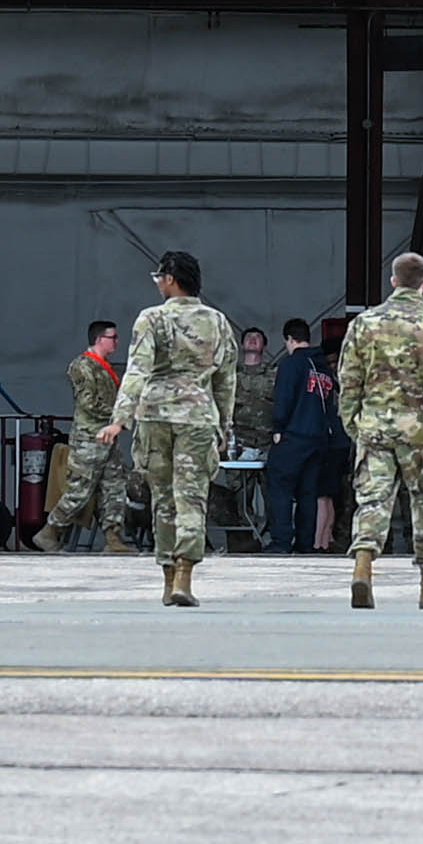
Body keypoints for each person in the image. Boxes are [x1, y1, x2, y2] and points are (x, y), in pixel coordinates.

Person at [103, 251, 238, 606]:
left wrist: (120, 419)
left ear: (170, 278)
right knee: (191, 497)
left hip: (155, 416)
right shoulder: (218, 322)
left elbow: (138, 370)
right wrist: (224, 426)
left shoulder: (152, 319)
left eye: (158, 278)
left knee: (162, 500)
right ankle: (184, 577)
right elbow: (226, 380)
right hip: (197, 416)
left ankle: (166, 580)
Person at [339, 251, 423, 611]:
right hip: (419, 434)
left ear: (392, 281)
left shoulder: (364, 324)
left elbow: (349, 381)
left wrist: (354, 425)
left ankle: (363, 567)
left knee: (373, 501)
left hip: (375, 428)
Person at [43, 320, 134, 553]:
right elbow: (88, 403)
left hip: (108, 439)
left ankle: (113, 537)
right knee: (80, 489)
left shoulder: (104, 367)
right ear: (99, 339)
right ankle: (51, 530)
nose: (116, 342)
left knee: (114, 487)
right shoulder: (82, 366)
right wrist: (119, 415)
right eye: (112, 337)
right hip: (89, 440)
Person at [264, 319, 344, 554]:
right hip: (319, 439)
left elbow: (284, 398)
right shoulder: (323, 368)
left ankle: (280, 542)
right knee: (308, 493)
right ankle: (305, 543)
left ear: (289, 340)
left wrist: (278, 429)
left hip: (295, 436)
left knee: (280, 488)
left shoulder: (291, 364)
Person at [222, 325, 278, 551]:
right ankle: (244, 541)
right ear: (242, 345)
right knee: (238, 498)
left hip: (269, 445)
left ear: (265, 345)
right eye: (249, 338)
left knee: (273, 497)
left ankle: (275, 539)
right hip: (239, 445)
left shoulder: (275, 375)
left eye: (258, 337)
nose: (253, 340)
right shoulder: (230, 377)